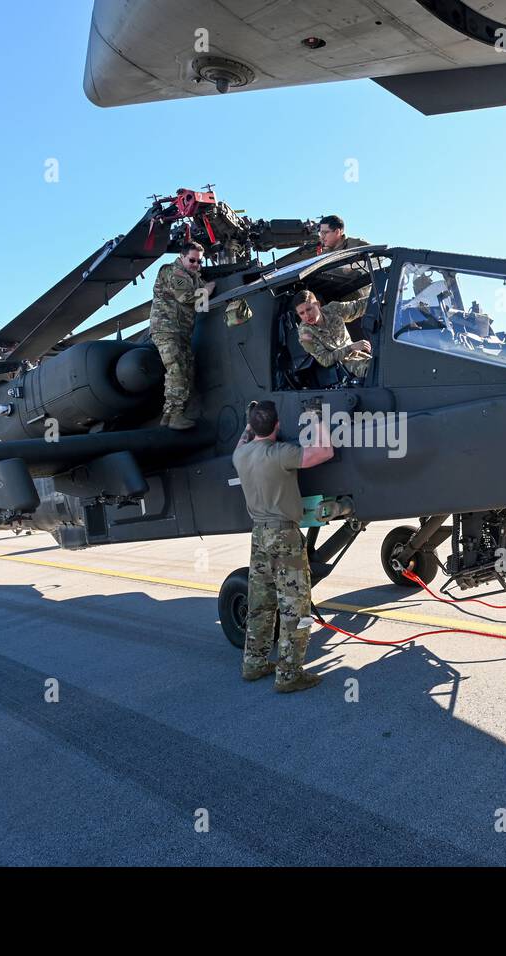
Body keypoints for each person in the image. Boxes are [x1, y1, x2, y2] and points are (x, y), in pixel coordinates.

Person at [231, 399, 334, 693]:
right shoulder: (280, 454)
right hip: (284, 536)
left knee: (261, 603)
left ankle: (254, 663)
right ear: (277, 426)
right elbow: (324, 451)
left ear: (252, 427)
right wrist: (316, 417)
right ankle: (289, 674)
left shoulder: (240, 455)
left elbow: (243, 439)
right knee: (296, 608)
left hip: (258, 536)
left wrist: (248, 424)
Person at [149, 242, 215, 430]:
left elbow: (199, 301)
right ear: (181, 257)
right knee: (176, 369)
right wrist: (207, 289)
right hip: (166, 329)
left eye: (199, 262)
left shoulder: (193, 278)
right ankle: (175, 415)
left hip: (182, 333)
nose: (195, 264)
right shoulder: (171, 271)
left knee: (186, 371)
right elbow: (186, 297)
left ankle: (169, 415)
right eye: (192, 260)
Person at [293, 289, 372, 380]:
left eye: (309, 309)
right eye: (301, 313)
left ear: (317, 305)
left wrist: (384, 297)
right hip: (341, 367)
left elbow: (357, 307)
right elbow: (325, 360)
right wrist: (351, 347)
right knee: (374, 372)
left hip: (357, 356)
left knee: (383, 364)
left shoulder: (333, 309)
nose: (306, 315)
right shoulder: (306, 333)